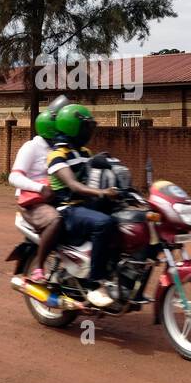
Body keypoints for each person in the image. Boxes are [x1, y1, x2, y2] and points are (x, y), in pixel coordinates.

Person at [46, 103, 120, 307]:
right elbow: (74, 185)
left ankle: (117, 273)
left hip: (87, 206)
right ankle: (94, 285)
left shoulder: (84, 152)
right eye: (86, 127)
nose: (89, 132)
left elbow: (98, 170)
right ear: (72, 127)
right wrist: (102, 193)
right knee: (104, 224)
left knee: (125, 218)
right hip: (68, 209)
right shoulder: (56, 155)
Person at [8, 95, 68, 285]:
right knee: (56, 221)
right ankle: (39, 269)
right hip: (34, 203)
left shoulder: (62, 148)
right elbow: (14, 177)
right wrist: (40, 188)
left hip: (57, 199)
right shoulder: (32, 146)